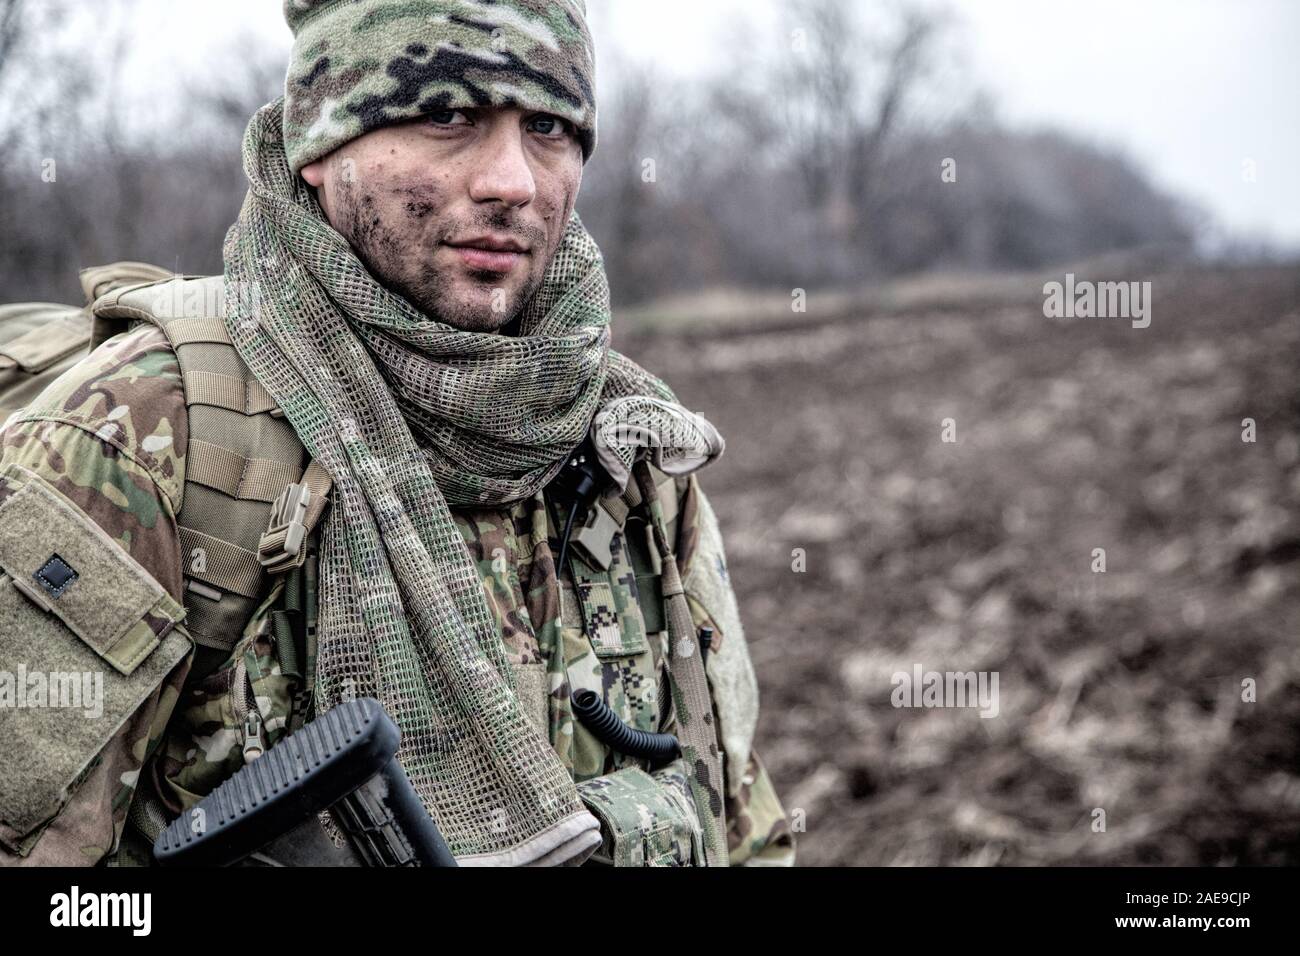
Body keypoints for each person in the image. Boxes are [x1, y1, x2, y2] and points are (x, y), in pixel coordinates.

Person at [0, 0, 793, 867]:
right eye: (448, 115)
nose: (513, 181)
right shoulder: (142, 433)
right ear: (319, 148)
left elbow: (740, 826)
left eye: (550, 127)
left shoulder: (629, 448)